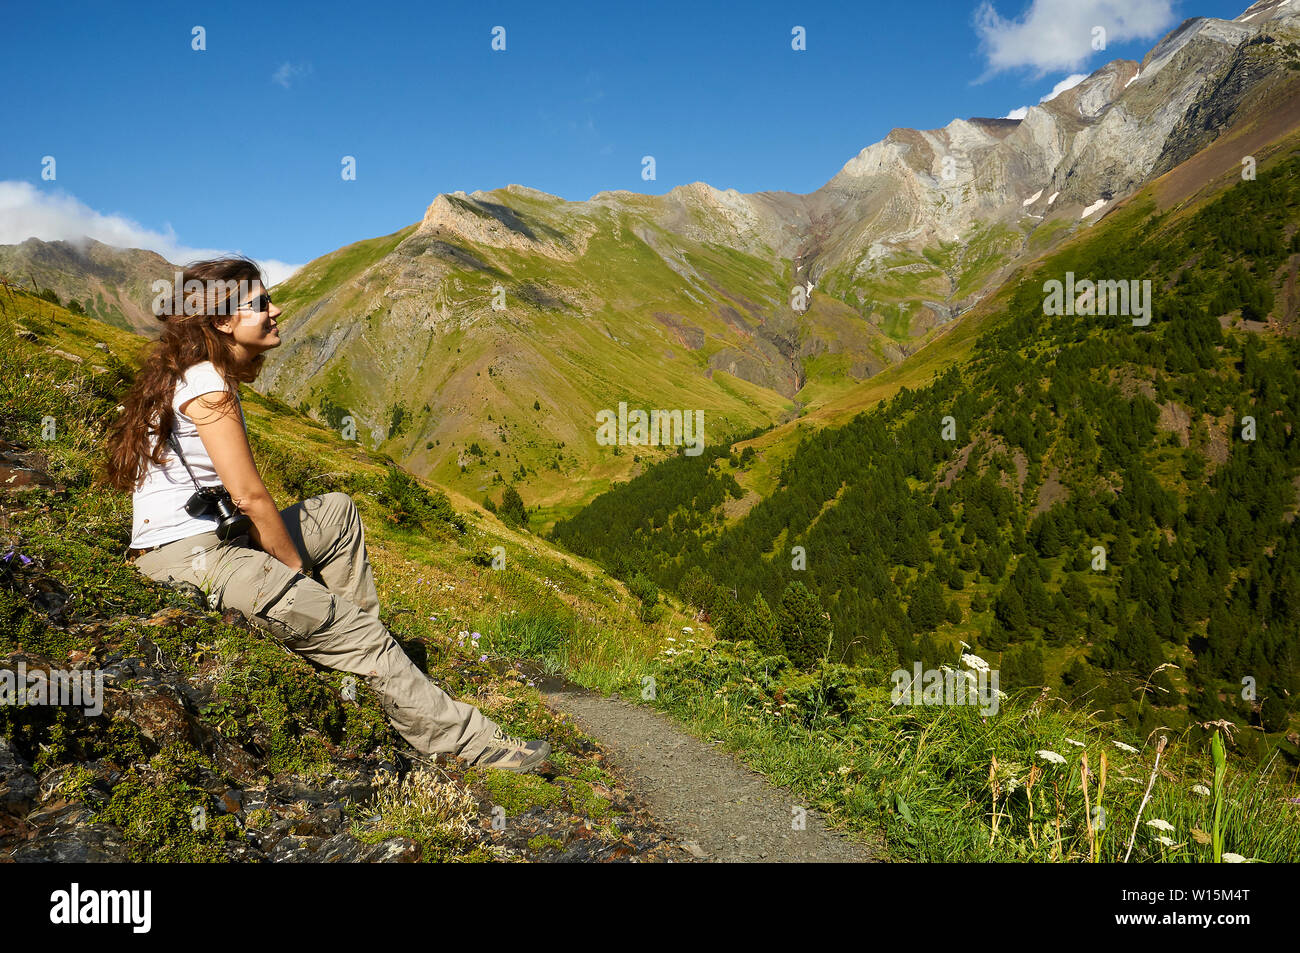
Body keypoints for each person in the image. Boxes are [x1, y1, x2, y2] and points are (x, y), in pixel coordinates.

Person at [103, 256, 549, 773]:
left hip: (202, 545)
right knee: (365, 637)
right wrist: (297, 572)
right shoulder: (208, 384)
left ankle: (362, 666)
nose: (276, 309)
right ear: (223, 322)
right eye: (260, 303)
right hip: (188, 559)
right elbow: (250, 498)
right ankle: (471, 742)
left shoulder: (196, 375)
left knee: (335, 512)